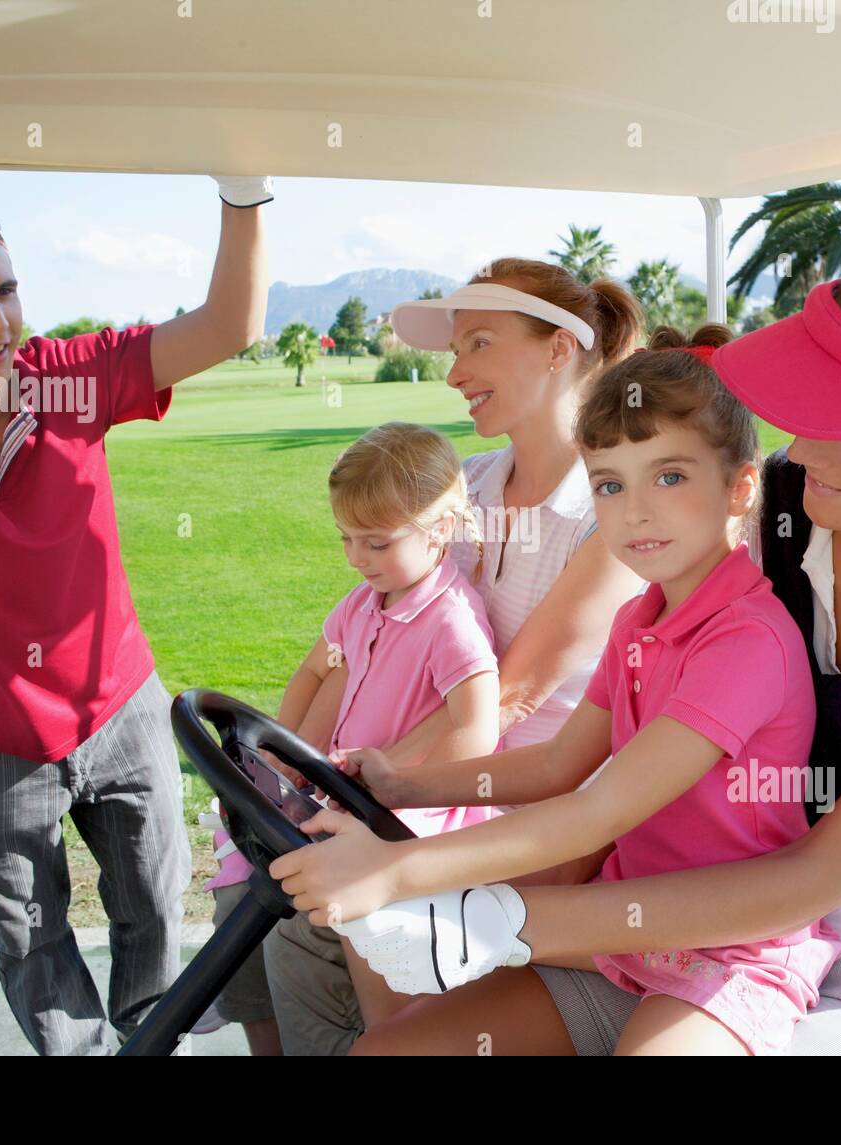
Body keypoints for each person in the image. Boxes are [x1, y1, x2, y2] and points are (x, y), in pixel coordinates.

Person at [281, 235, 841, 1056]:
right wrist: (408, 811)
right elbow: (597, 751)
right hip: (687, 928)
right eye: (811, 411)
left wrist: (480, 912)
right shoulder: (777, 514)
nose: (804, 448)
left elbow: (807, 881)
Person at [273, 324, 841, 1055]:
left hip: (723, 950)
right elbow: (556, 767)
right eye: (610, 484)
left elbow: (595, 809)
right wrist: (403, 784)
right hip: (619, 931)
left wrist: (396, 869)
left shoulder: (746, 642)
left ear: (739, 487)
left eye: (669, 476)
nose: (634, 510)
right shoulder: (639, 621)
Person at [0, 174, 274, 1055]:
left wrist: (244, 186)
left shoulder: (69, 378)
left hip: (122, 706)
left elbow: (229, 326)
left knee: (156, 921)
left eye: (4, 288)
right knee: (33, 954)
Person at [259, 258, 646, 1054]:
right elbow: (358, 639)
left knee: (364, 942)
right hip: (428, 799)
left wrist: (358, 788)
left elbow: (511, 698)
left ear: (557, 349)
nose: (454, 372)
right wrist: (296, 761)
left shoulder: (608, 510)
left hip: (538, 824)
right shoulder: (465, 485)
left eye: (476, 343)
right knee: (278, 933)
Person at [204, 421, 501, 1050]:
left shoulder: (450, 622)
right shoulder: (365, 602)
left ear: (440, 529)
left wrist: (392, 786)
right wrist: (282, 754)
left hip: (398, 819)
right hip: (340, 797)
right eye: (346, 539)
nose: (356, 558)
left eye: (375, 542)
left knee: (290, 919)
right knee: (236, 893)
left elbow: (476, 729)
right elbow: (317, 668)